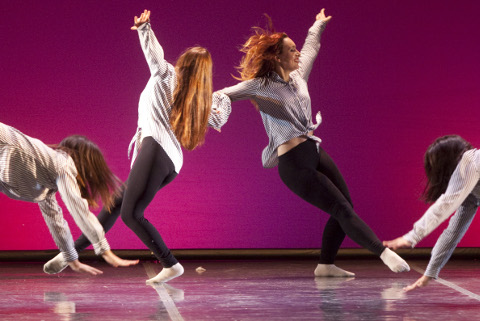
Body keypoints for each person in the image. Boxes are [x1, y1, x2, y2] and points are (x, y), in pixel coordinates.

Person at [42, 10, 232, 284]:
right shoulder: (197, 99)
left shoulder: (168, 75)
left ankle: (170, 263)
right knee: (115, 205)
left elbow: (154, 55)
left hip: (156, 149)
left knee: (131, 213)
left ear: (183, 62)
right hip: (169, 160)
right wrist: (224, 97)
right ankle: (71, 253)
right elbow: (219, 115)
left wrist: (145, 28)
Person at [218, 9, 410, 276]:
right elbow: (224, 94)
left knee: (345, 206)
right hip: (294, 163)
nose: (297, 53)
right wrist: (205, 107)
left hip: (313, 150)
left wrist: (317, 25)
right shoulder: (260, 86)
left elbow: (310, 49)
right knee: (340, 208)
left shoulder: (297, 76)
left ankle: (326, 265)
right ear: (277, 56)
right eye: (291, 50)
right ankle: (383, 252)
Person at [0, 122, 139, 275]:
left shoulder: (46, 187)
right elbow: (77, 207)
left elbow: (56, 221)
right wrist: (104, 250)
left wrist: (72, 260)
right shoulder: (63, 164)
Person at [384, 135, 480, 291]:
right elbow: (452, 234)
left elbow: (445, 204)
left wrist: (412, 237)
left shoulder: (471, 160)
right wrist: (429, 273)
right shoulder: (470, 192)